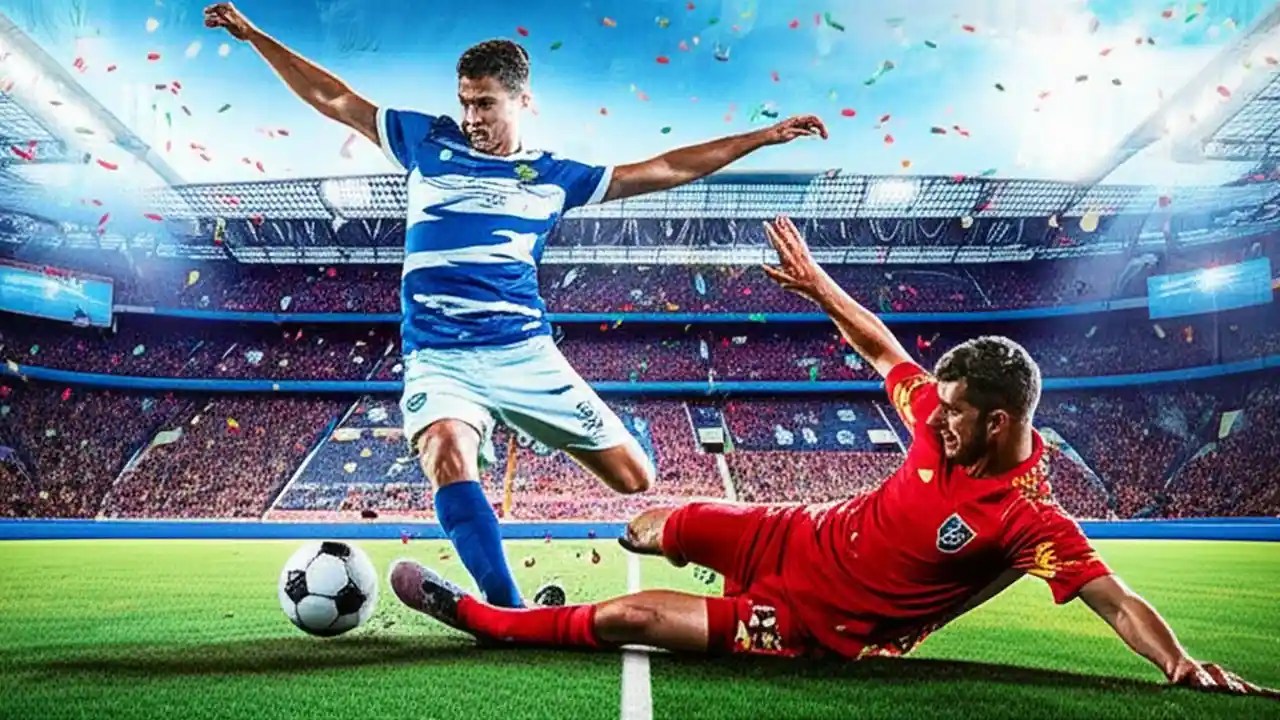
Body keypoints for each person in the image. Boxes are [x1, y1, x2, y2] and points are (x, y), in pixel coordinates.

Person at [388, 216, 1276, 698]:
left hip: (821, 627)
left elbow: (1114, 600)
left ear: (1004, 423)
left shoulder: (1030, 520)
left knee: (636, 620)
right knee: (645, 527)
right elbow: (885, 351)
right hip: (789, 533)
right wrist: (819, 287)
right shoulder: (937, 414)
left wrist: (1175, 661)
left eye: (962, 415)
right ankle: (640, 598)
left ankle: (487, 617)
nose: (940, 419)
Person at [203, 4, 828, 609]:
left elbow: (666, 164)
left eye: (485, 103)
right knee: (446, 450)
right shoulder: (424, 141)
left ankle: (532, 423)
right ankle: (508, 607)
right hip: (439, 357)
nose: (471, 116)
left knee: (635, 478)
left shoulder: (557, 176)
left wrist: (764, 137)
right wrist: (254, 35)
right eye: (465, 102)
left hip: (525, 353)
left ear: (522, 100)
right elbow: (334, 97)